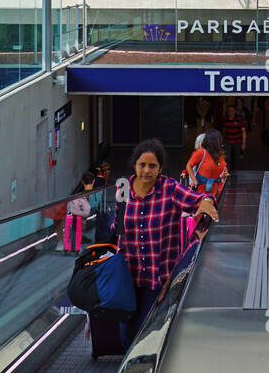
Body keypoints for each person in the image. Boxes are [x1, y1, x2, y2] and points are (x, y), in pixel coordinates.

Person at [112, 139, 218, 351]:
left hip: (158, 279)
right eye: (142, 165)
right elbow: (119, 231)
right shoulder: (123, 190)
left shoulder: (169, 189)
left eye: (152, 166)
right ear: (135, 165)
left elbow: (200, 198)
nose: (147, 170)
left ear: (160, 168)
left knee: (146, 333)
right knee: (125, 334)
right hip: (127, 277)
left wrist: (206, 203)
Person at [186, 129, 229, 201]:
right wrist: (194, 180)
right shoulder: (202, 152)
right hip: (203, 191)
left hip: (217, 192)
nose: (221, 143)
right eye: (219, 140)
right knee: (204, 209)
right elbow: (188, 165)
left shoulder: (220, 153)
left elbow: (224, 168)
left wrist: (225, 174)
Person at [64, 171, 95, 255]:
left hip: (72, 215)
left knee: (72, 230)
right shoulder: (87, 194)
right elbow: (86, 212)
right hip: (79, 216)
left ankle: (69, 247)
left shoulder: (77, 192)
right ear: (93, 181)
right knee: (78, 229)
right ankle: (76, 247)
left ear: (82, 182)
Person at [222, 103, 246, 180]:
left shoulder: (239, 119)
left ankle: (237, 174)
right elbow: (223, 130)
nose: (230, 112)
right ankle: (227, 174)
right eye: (229, 110)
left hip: (237, 142)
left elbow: (243, 131)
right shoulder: (225, 119)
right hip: (227, 142)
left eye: (232, 110)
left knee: (237, 158)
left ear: (235, 111)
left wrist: (244, 143)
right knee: (227, 158)